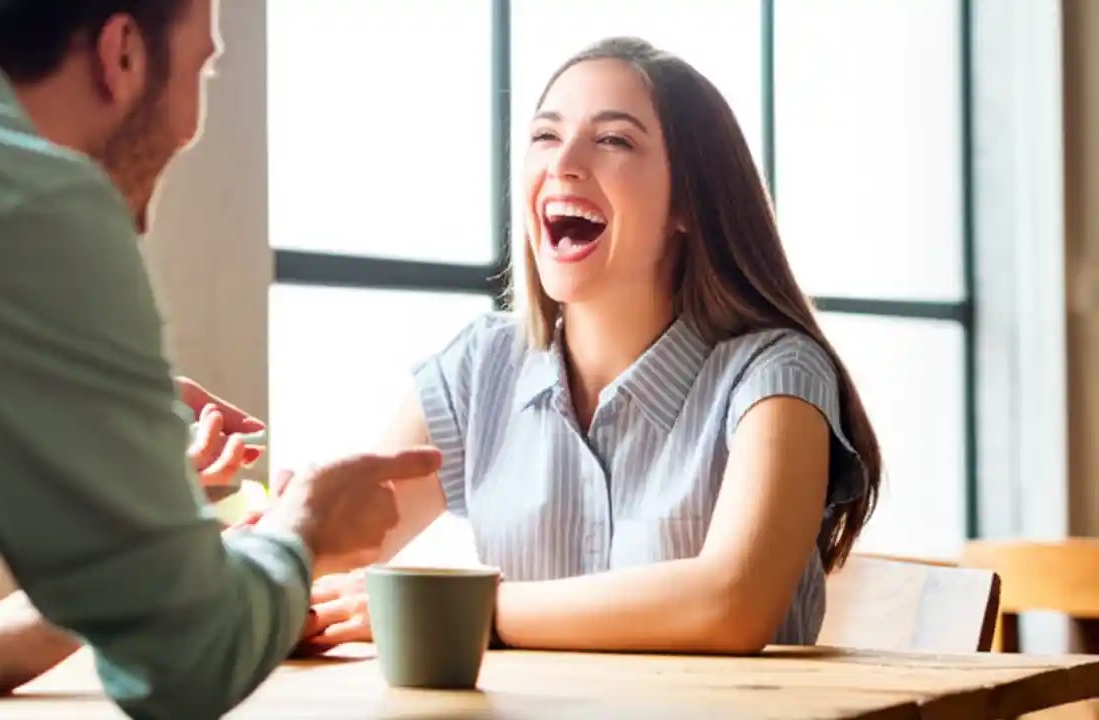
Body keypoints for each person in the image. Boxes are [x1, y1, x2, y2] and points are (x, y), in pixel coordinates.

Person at [0, 1, 440, 718]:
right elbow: (185, 664)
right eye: (203, 66)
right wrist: (302, 530)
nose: (192, 125)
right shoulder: (18, 198)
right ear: (121, 52)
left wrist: (122, 516)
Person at [300, 36, 883, 654]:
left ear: (689, 199)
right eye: (545, 136)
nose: (564, 163)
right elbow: (325, 563)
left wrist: (470, 611)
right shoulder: (479, 367)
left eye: (613, 140)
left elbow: (732, 606)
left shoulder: (776, 374)